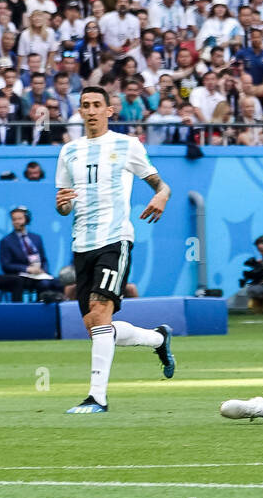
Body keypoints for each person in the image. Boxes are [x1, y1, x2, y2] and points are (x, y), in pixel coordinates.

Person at [56, 86, 175, 413]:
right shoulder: (69, 152)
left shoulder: (127, 145)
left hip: (115, 239)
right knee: (97, 327)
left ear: (110, 110)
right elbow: (64, 205)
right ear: (79, 112)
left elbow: (160, 184)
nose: (91, 111)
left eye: (97, 105)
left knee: (99, 313)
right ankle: (159, 339)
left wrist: (162, 195)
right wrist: (62, 206)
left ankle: (97, 397)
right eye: (85, 106)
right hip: (82, 244)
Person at [0, 206, 61, 295]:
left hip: (39, 274)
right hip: (22, 276)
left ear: (26, 220)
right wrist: (27, 269)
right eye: (14, 219)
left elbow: (44, 259)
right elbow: (6, 265)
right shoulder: (6, 241)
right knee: (44, 284)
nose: (16, 222)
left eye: (19, 219)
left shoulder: (36, 238)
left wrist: (44, 270)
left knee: (58, 283)